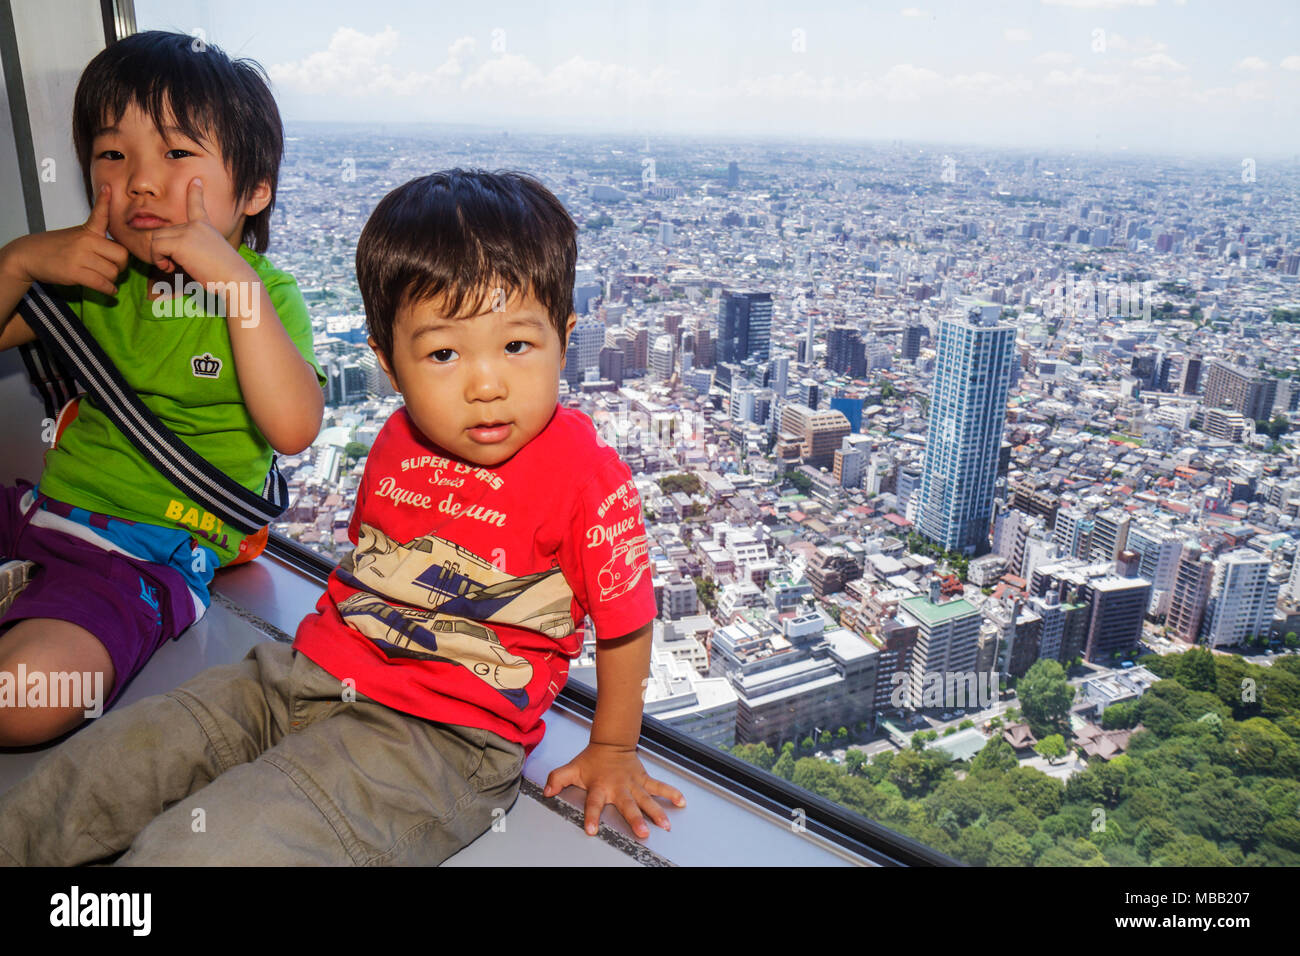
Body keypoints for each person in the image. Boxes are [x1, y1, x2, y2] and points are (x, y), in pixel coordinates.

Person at [0, 169, 685, 866]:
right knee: (111, 764)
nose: (486, 385)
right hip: (309, 668)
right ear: (388, 363)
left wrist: (613, 747)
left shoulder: (586, 476)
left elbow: (626, 616)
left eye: (517, 346)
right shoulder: (398, 437)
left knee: (206, 849)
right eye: (443, 353)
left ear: (565, 339)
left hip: (441, 739)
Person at [0, 31, 325, 746]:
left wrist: (237, 287)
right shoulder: (94, 273)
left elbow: (294, 427)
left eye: (177, 154)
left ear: (255, 190)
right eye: (113, 154)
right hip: (36, 511)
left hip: (142, 561)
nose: (141, 180)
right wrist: (20, 262)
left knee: (29, 698)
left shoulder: (263, 295)